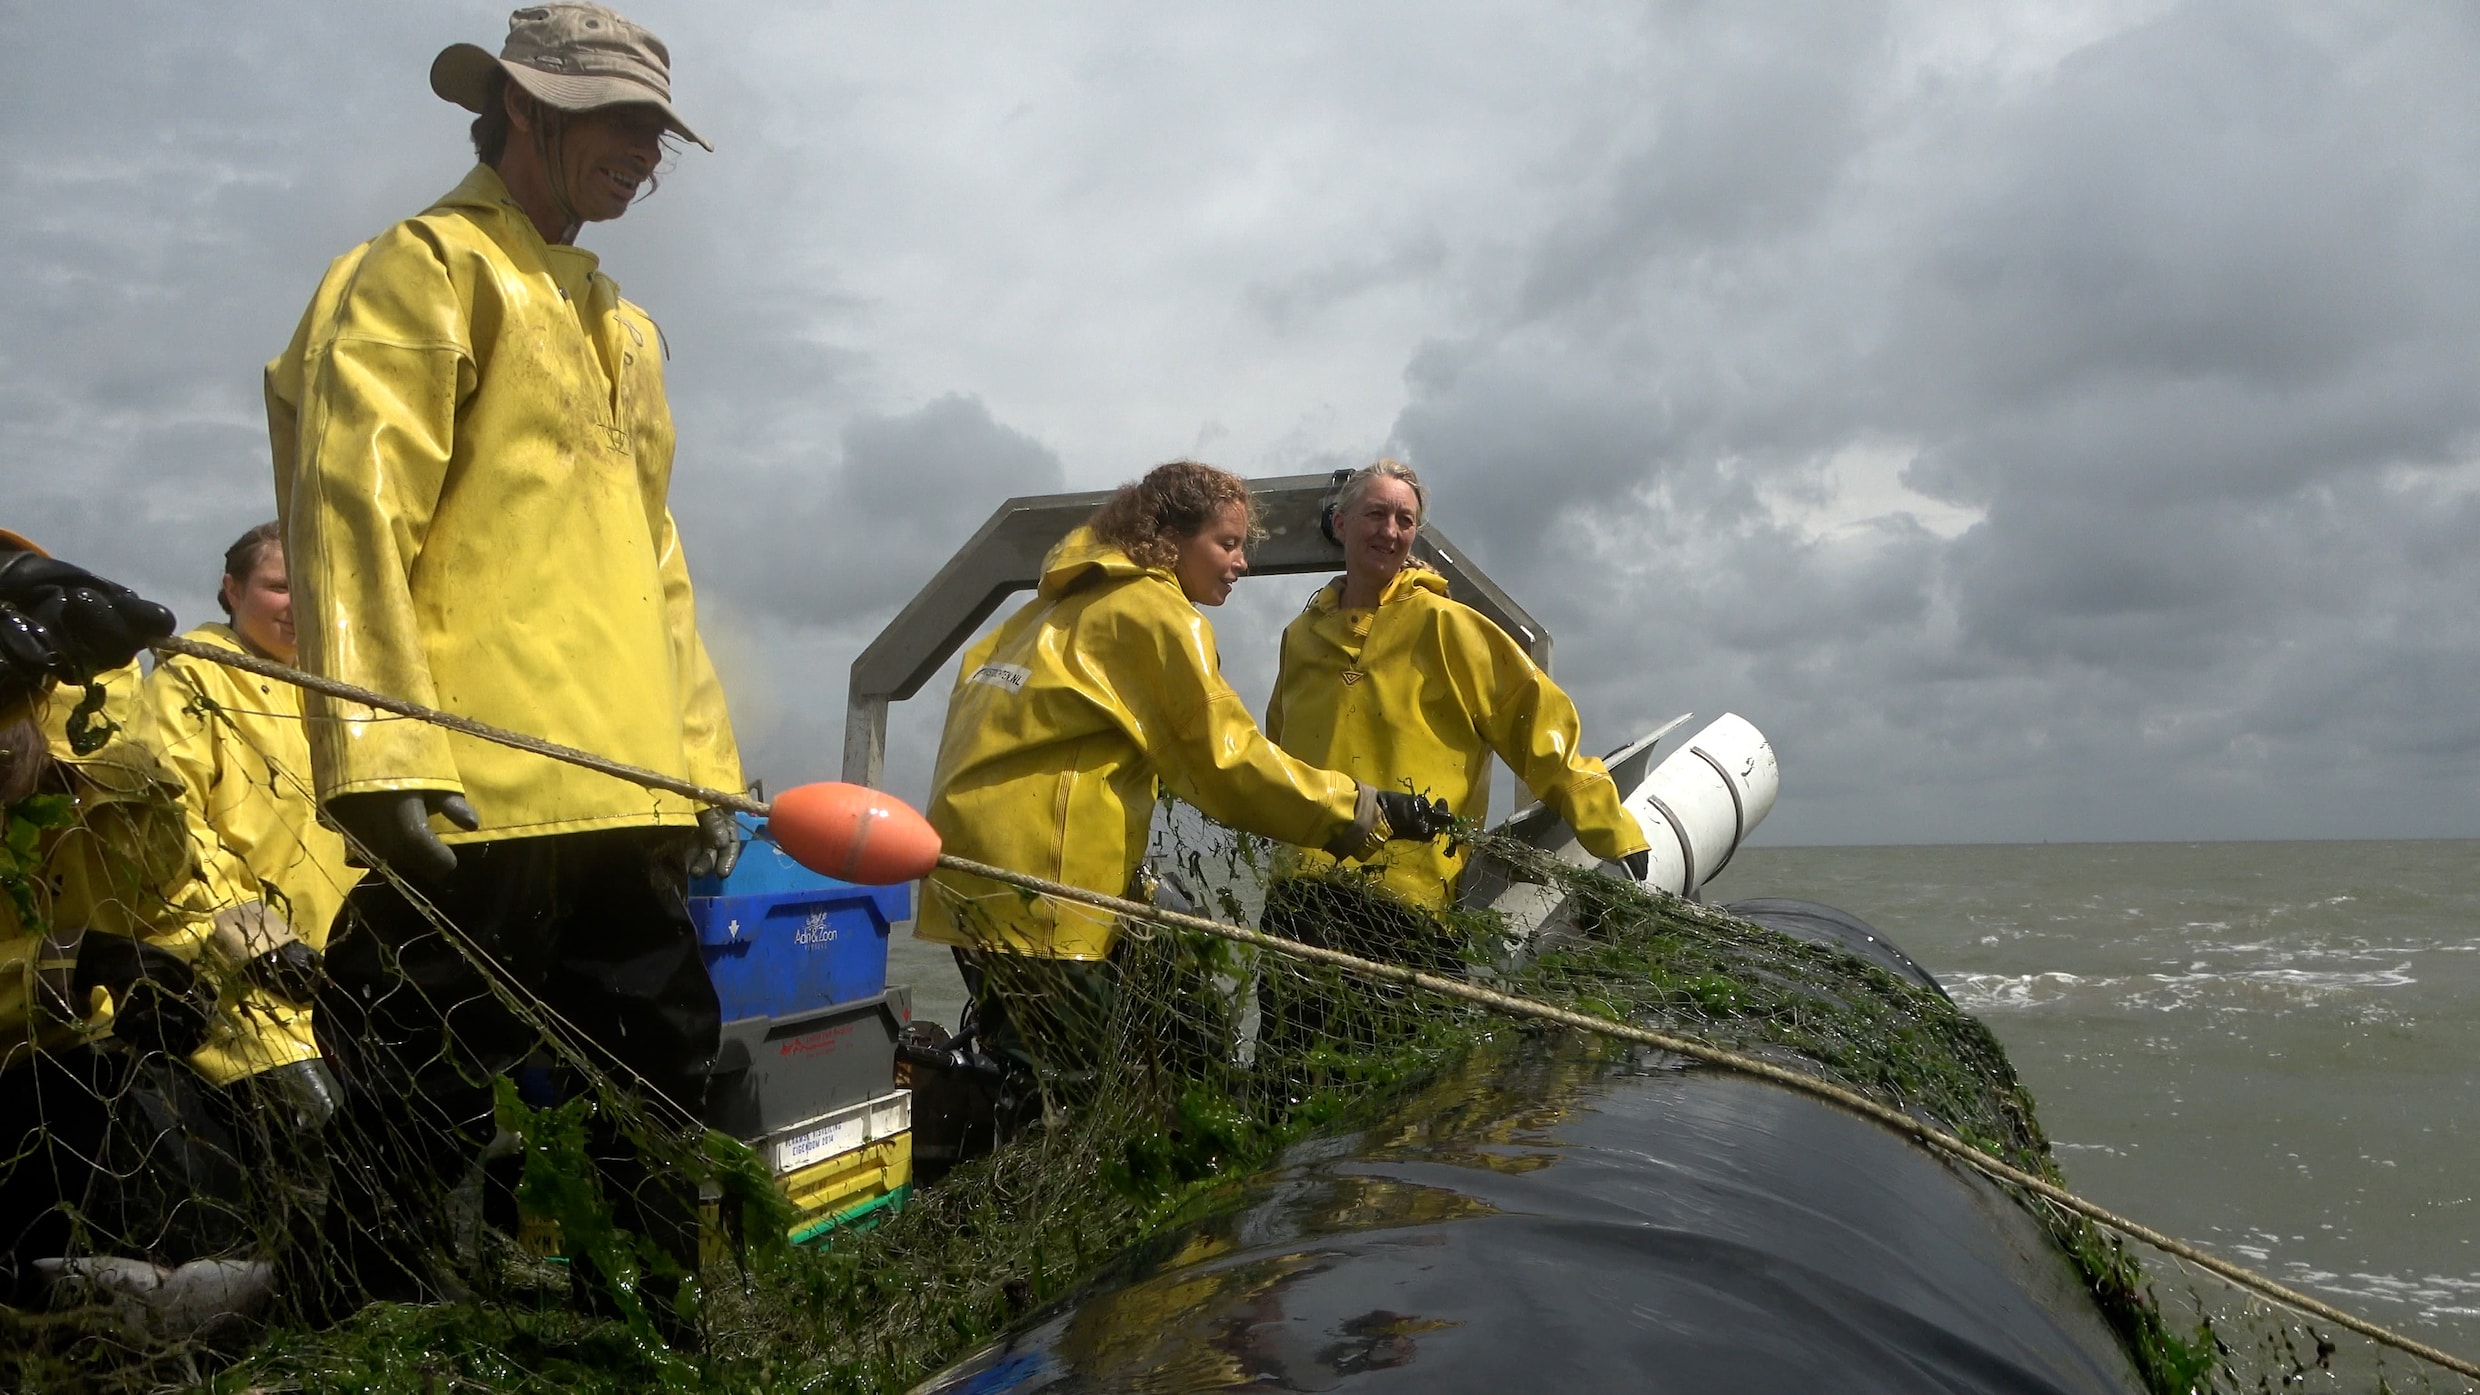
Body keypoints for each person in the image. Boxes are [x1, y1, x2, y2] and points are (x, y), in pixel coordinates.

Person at [263, 3, 743, 1311]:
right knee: (414, 1084)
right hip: (476, 790)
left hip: (622, 785)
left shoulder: (624, 326)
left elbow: (659, 559)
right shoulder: (420, 269)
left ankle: (645, 1343)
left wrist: (698, 768)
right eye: (618, 120)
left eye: (656, 128)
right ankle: (367, 1339)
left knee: (660, 1078)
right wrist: (377, 754)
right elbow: (352, 508)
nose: (644, 150)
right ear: (522, 111)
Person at [916, 462, 1452, 1110]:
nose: (1242, 563)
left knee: (1029, 1064)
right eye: (1227, 543)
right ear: (1169, 540)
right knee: (1081, 1090)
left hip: (963, 886)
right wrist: (1361, 808)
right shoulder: (1155, 612)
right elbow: (1228, 762)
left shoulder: (1040, 615)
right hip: (1047, 890)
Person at [1264, 460, 1650, 944]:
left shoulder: (1450, 626)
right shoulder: (1298, 638)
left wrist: (1611, 829)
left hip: (1413, 905)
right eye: (1376, 514)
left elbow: (1537, 728)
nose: (1390, 530)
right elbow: (1275, 753)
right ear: (1340, 524)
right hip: (1300, 896)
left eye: (1404, 520)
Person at [139, 522, 352, 1096]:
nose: (297, 605)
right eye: (279, 587)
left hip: (346, 975)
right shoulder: (190, 677)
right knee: (303, 1128)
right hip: (242, 977)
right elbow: (168, 821)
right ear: (232, 589)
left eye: (310, 587)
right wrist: (252, 935)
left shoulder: (338, 688)